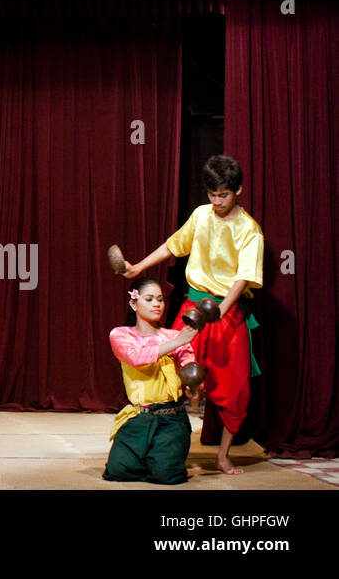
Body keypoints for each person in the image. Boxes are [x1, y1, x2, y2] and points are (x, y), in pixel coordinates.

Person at [123, 154, 264, 475]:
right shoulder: (201, 215)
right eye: (212, 195)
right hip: (192, 308)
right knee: (169, 375)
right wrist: (138, 267)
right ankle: (163, 446)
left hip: (224, 313)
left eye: (224, 195)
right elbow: (173, 246)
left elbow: (241, 280)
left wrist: (216, 313)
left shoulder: (249, 230)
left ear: (238, 190)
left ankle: (223, 455)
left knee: (235, 386)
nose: (217, 201)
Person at [103, 278, 200, 483]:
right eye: (149, 299)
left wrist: (193, 387)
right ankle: (152, 457)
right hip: (139, 417)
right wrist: (178, 342)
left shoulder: (173, 336)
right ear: (133, 303)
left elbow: (188, 365)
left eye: (160, 299)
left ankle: (165, 457)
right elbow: (137, 358)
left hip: (171, 419)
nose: (157, 304)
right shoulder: (121, 335)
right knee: (118, 472)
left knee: (166, 476)